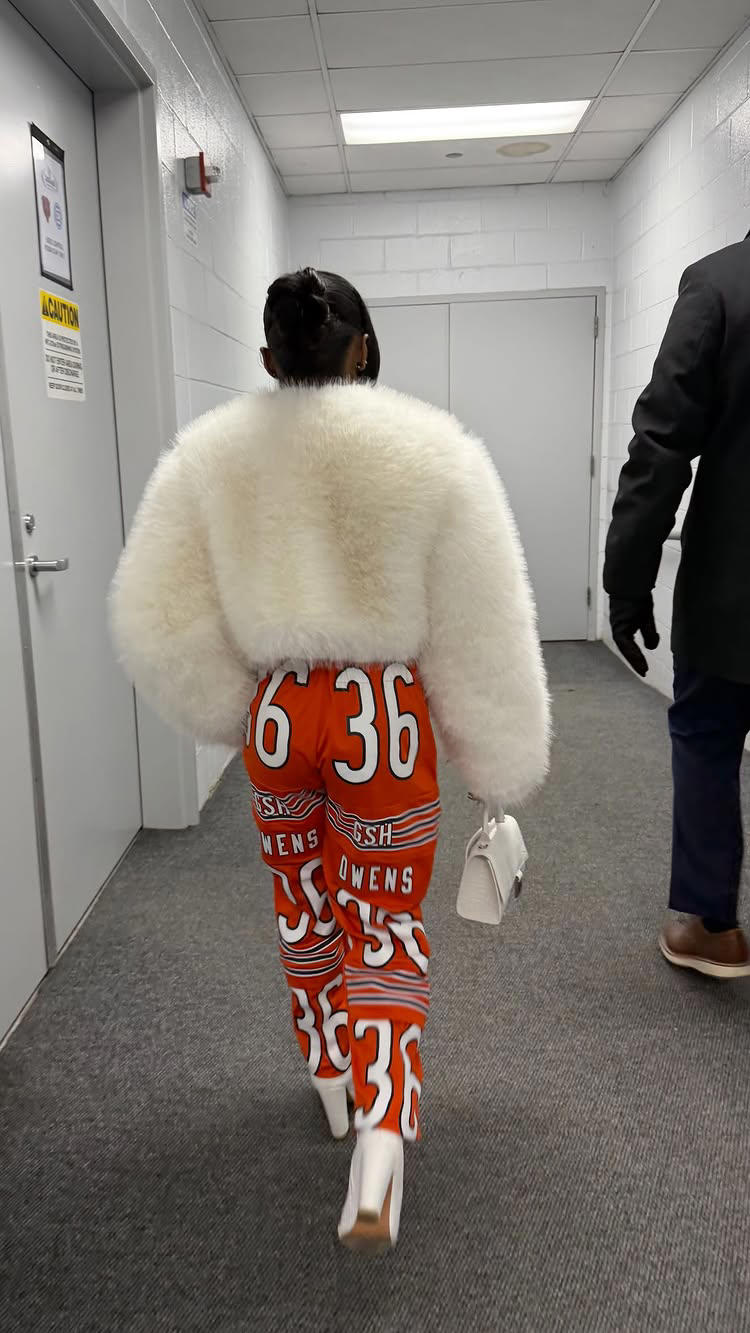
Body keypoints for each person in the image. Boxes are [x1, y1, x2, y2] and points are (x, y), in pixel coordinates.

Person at [110, 267, 550, 1252]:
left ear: (267, 359)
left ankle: (329, 1077)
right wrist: (495, 758)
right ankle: (384, 1129)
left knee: (304, 905)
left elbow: (155, 613)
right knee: (383, 922)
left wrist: (245, 709)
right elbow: (483, 618)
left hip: (279, 712)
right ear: (363, 348)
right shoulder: (435, 451)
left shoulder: (208, 457)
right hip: (384, 713)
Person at [604, 233, 750, 981]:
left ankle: (710, 924)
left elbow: (660, 444)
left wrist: (626, 579)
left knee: (707, 735)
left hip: (734, 586)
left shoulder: (720, 284)